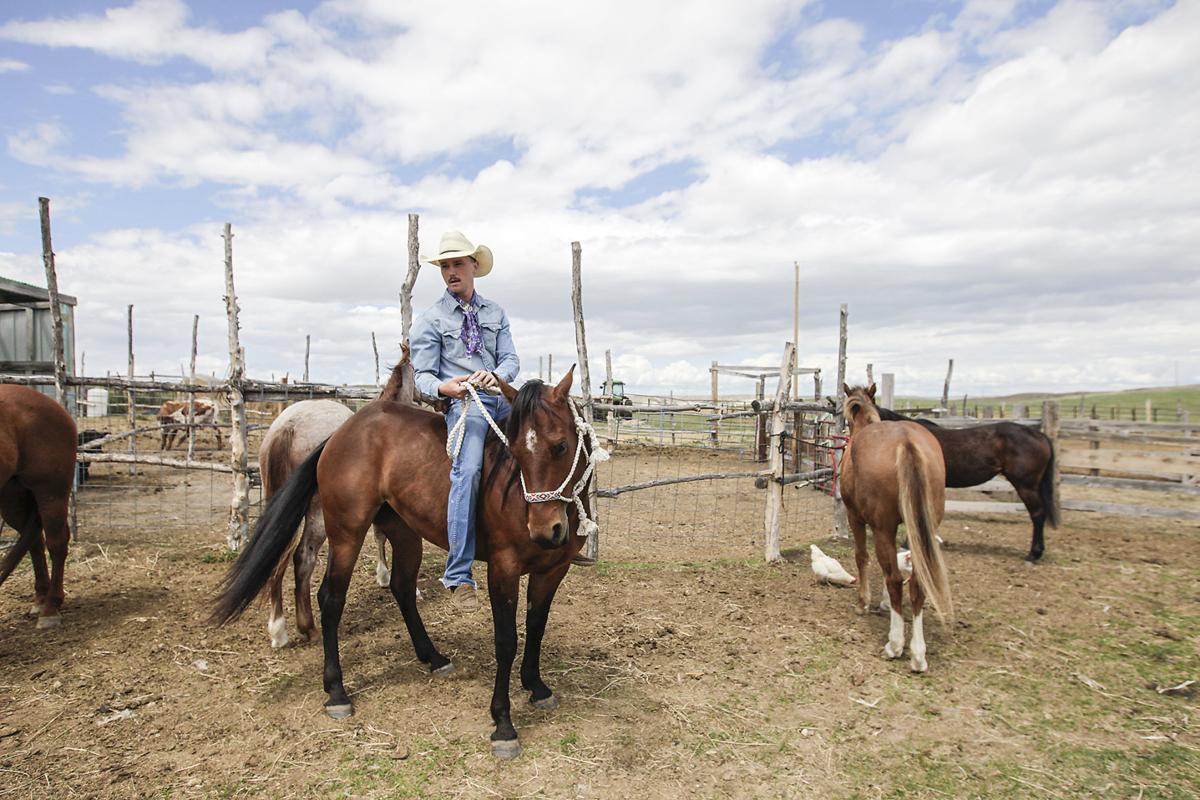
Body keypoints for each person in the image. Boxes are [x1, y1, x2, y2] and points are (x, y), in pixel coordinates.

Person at [410, 231, 519, 611]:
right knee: (469, 470)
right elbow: (421, 374)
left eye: (458, 263)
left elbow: (511, 360)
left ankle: (560, 536)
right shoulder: (431, 320)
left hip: (500, 399)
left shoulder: (495, 313)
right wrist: (445, 387)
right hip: (467, 406)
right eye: (445, 265)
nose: (452, 271)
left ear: (474, 266)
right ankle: (458, 574)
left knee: (548, 440)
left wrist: (498, 376)